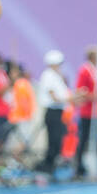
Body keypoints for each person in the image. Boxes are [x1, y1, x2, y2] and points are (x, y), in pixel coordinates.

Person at [73, 45, 97, 180]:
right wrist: (92, 96)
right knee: (83, 140)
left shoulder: (96, 71)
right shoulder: (84, 70)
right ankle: (78, 169)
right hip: (87, 112)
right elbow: (80, 91)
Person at [34, 49, 70, 180]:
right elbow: (54, 97)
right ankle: (46, 170)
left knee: (58, 142)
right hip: (52, 112)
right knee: (54, 142)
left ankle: (51, 169)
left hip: (59, 112)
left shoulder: (56, 76)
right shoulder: (48, 75)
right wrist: (70, 99)